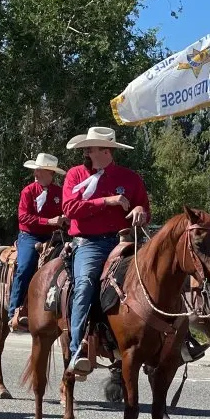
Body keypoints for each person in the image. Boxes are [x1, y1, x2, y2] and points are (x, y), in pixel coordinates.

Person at [61, 127, 149, 376]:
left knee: (156, 276)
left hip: (125, 241)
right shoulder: (75, 175)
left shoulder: (130, 178)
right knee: (85, 284)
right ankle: (77, 350)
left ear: (107, 151)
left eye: (91, 148)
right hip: (89, 243)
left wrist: (140, 211)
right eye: (86, 148)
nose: (86, 152)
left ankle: (175, 338)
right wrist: (107, 201)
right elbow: (69, 208)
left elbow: (145, 209)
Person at [8, 152, 65, 331]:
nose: (36, 173)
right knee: (25, 267)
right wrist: (48, 221)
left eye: (40, 170)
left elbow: (67, 211)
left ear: (51, 173)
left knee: (67, 264)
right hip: (29, 236)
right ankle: (14, 311)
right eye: (36, 170)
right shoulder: (28, 191)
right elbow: (23, 217)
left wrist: (65, 219)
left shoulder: (60, 193)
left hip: (53, 237)